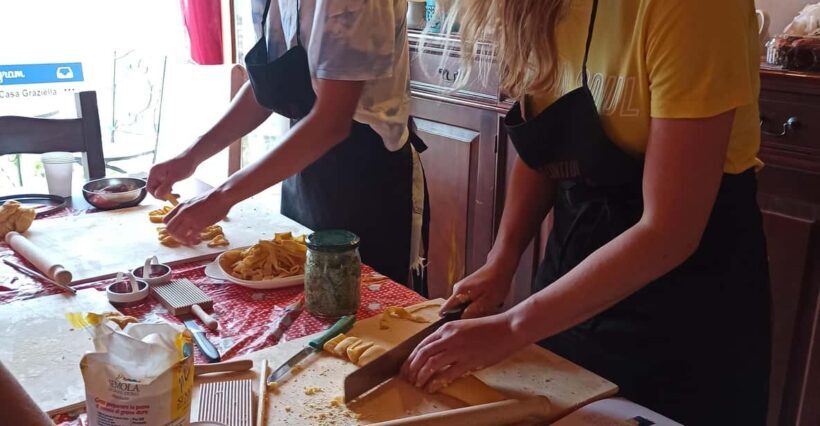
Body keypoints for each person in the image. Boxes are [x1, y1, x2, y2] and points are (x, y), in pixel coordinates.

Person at [402, 1, 771, 424]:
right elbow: (544, 143)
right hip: (573, 267)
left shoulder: (695, 9)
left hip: (689, 301)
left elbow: (670, 229)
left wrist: (513, 326)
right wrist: (502, 258)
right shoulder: (539, 7)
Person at [147, 0, 429, 294]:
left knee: (369, 317)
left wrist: (222, 196)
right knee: (299, 296)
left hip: (368, 181)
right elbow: (266, 91)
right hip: (303, 169)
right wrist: (191, 157)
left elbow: (332, 121)